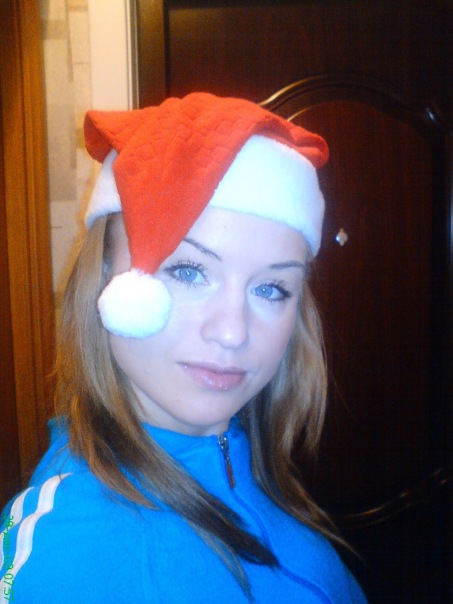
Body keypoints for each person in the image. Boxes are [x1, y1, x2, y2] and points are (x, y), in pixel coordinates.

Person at [0, 93, 367, 603]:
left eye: (270, 288)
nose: (232, 332)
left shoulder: (252, 465)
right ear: (105, 279)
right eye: (189, 271)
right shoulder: (65, 560)